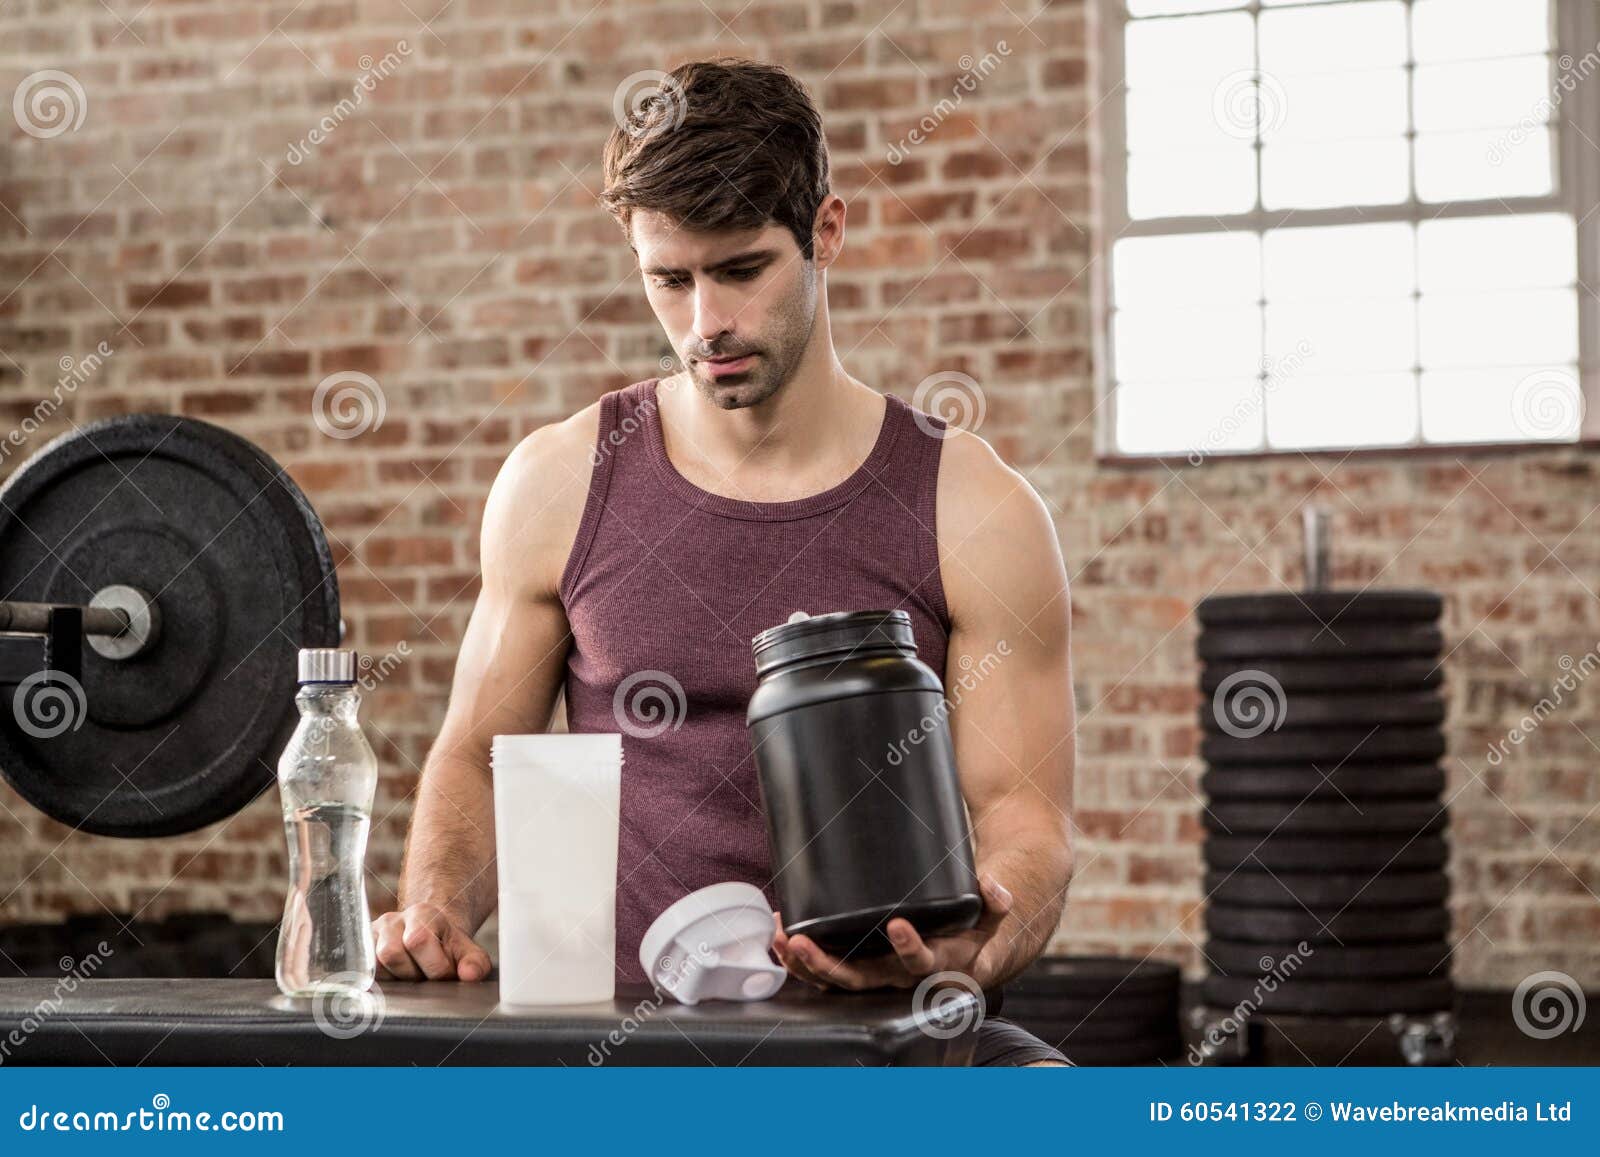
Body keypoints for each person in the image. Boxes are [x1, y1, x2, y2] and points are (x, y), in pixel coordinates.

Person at [375, 58, 1076, 1066]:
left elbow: (1026, 820)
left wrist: (974, 946)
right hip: (621, 1057)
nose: (706, 323)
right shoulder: (557, 482)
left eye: (743, 270)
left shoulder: (974, 506)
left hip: (874, 1042)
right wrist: (437, 908)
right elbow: (480, 752)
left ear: (825, 231)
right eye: (671, 279)